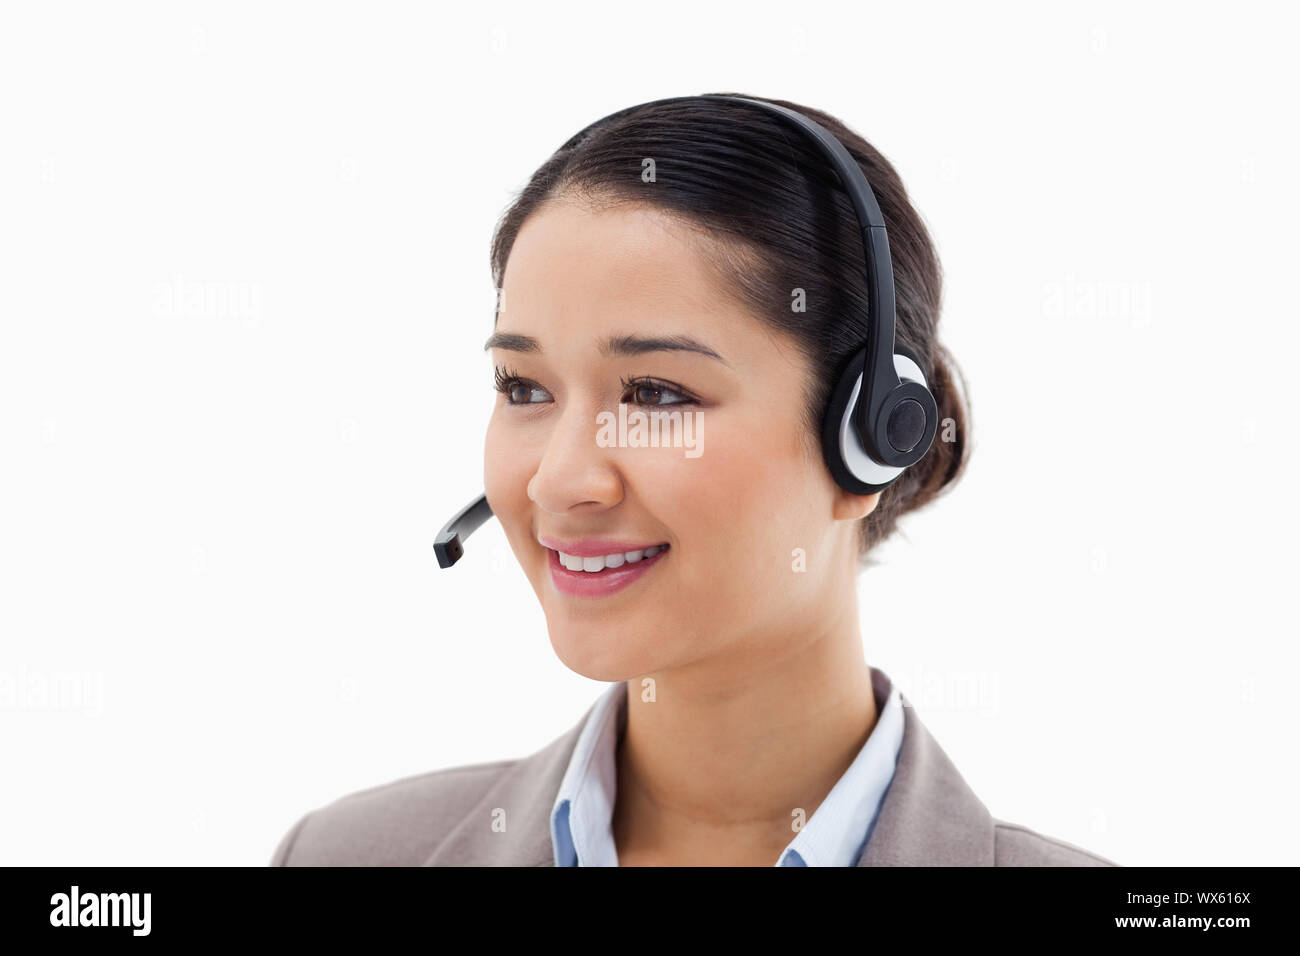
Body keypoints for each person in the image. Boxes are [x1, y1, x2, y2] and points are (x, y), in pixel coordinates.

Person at [271, 93, 1117, 866]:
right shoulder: (343, 854)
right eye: (523, 388)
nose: (559, 481)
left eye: (655, 394)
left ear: (869, 434)